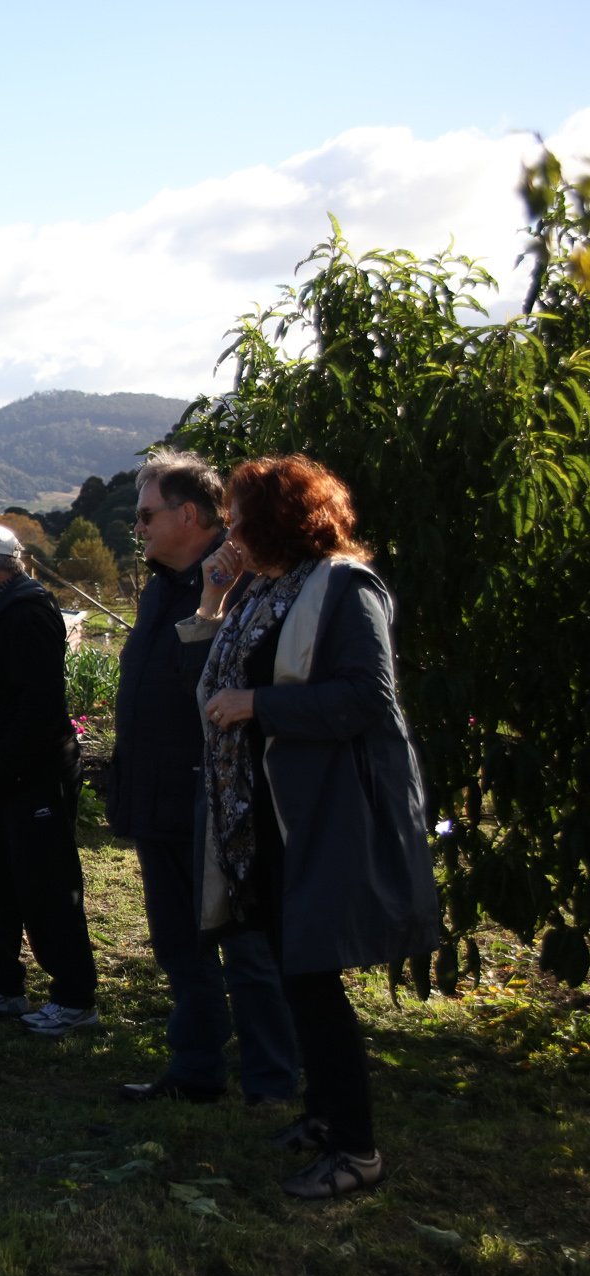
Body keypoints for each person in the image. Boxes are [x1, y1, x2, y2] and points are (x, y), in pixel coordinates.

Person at [183, 456, 438, 1198]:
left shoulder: (342, 587)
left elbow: (366, 698)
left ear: (280, 521)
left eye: (238, 522)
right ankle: (326, 1116)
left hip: (323, 811)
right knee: (299, 970)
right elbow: (206, 682)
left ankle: (357, 1149)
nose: (227, 535)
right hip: (269, 812)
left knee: (314, 976)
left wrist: (259, 706)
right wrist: (213, 598)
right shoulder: (265, 587)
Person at [105, 453, 298, 1105]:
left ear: (189, 514)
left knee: (244, 942)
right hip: (157, 793)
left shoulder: (241, 578)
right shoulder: (162, 583)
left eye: (146, 514)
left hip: (221, 795)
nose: (139, 528)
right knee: (179, 943)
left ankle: (272, 1081)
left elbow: (215, 688)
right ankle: (196, 1069)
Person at [0, 520, 99, 1037]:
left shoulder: (25, 613)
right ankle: (1, 986)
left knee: (46, 890)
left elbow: (40, 708)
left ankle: (74, 1000)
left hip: (28, 779)